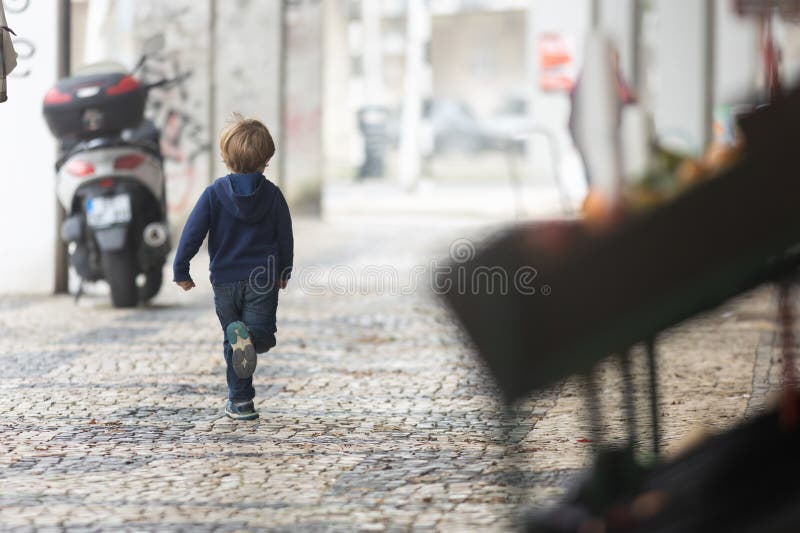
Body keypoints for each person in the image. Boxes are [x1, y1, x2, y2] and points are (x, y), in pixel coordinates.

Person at [173, 114, 294, 421]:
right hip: (262, 279)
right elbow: (284, 236)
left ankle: (240, 401)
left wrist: (181, 269)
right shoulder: (273, 195)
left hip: (225, 281)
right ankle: (253, 338)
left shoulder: (214, 194)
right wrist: (284, 271)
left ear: (226, 159)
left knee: (234, 339)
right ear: (265, 160)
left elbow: (192, 233)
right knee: (260, 336)